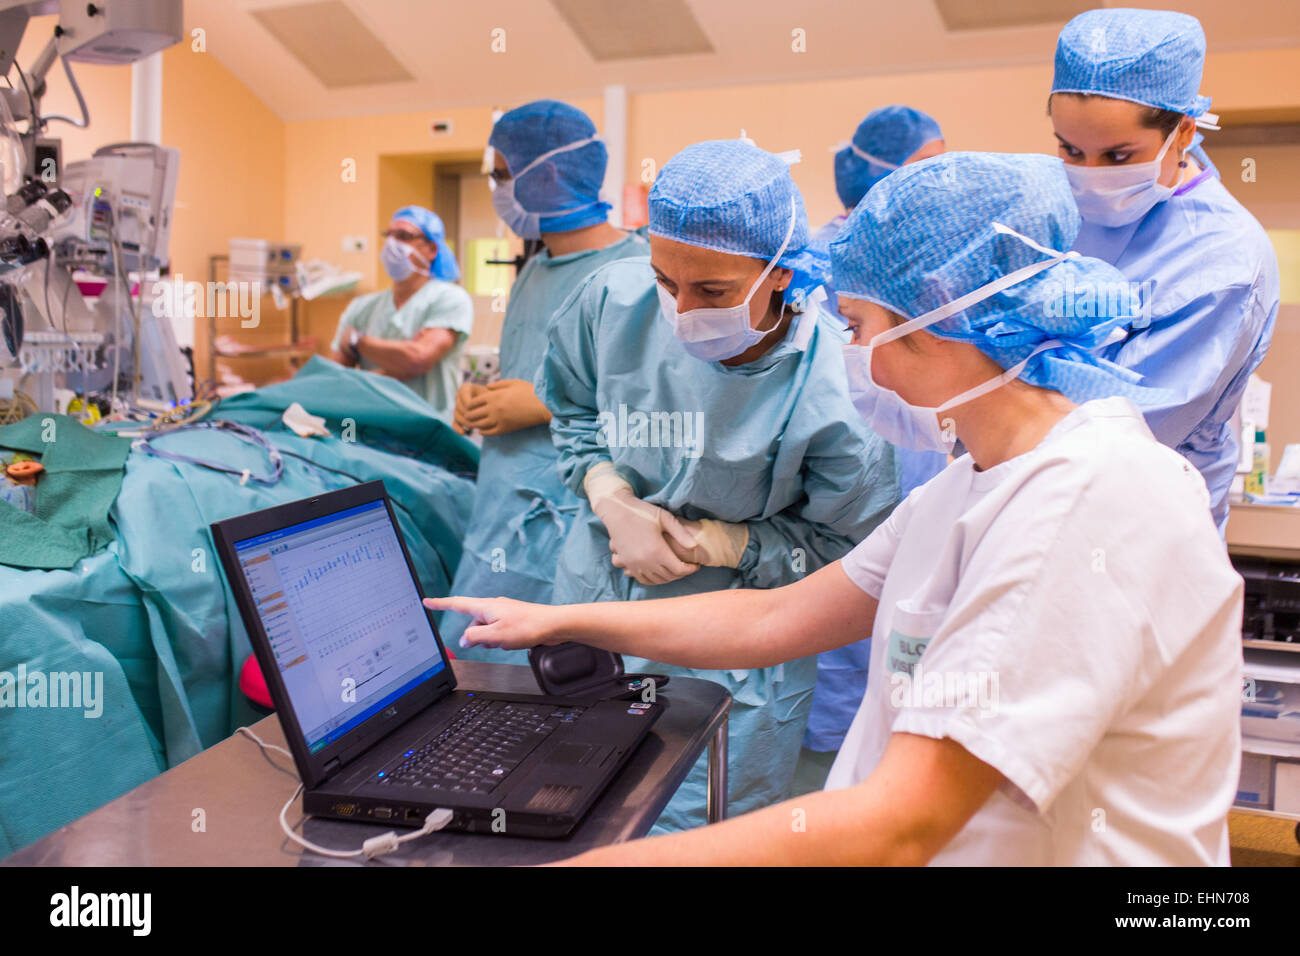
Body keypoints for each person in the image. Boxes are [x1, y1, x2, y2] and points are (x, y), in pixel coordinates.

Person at [428, 151, 1243, 866]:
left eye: (855, 325)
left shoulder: (1081, 505)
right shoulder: (973, 481)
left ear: (942, 318)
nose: (847, 357)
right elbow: (771, 621)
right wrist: (558, 621)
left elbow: (901, 825)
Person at [522, 138, 898, 833]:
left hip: (729, 665)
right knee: (563, 814)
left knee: (691, 829)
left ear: (781, 274)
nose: (682, 309)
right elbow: (572, 406)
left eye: (714, 292)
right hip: (594, 606)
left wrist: (725, 543)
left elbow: (852, 552)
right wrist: (607, 492)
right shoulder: (613, 298)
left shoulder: (835, 387)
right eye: (668, 282)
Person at [1048, 7, 1279, 533]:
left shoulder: (1225, 261)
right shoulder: (1058, 214)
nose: (1088, 176)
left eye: (1118, 155)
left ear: (1184, 132)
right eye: (1070, 150)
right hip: (1037, 500)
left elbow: (1127, 431)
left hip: (1146, 525)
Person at [439, 100, 648, 652]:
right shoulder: (534, 268)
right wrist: (481, 399)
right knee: (474, 675)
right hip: (503, 506)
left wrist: (545, 404)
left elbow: (660, 409)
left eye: (502, 175)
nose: (496, 188)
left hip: (575, 517)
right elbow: (526, 368)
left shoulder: (634, 273)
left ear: (548, 174)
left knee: (553, 680)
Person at [799, 104, 946, 794]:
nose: (856, 351)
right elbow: (777, 620)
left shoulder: (997, 485)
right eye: (848, 325)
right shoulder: (821, 270)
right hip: (837, 527)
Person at [330, 206, 473, 422]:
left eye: (404, 236)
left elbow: (417, 360)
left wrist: (357, 340)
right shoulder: (361, 307)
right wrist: (398, 364)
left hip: (429, 427)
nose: (392, 244)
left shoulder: (450, 299)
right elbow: (337, 379)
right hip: (372, 424)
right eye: (389, 235)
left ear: (432, 249)